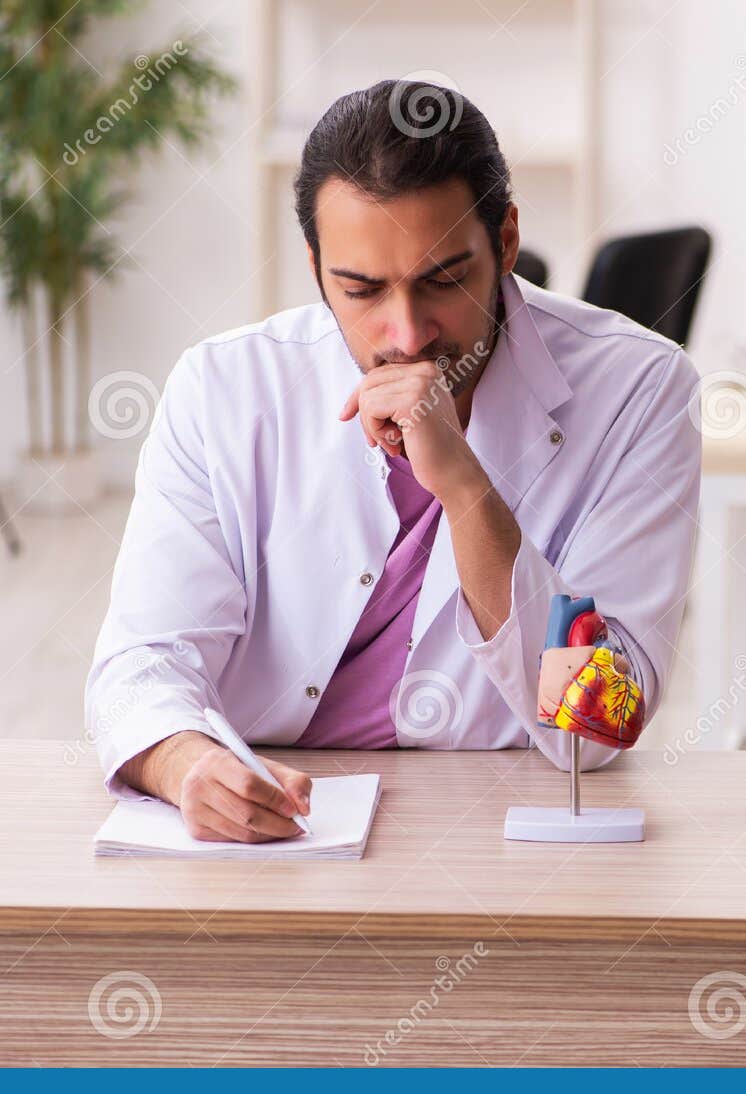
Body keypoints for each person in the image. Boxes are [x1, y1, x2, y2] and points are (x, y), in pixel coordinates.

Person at [84, 79, 702, 842]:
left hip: (498, 832)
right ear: (316, 268)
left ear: (505, 241)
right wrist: (186, 765)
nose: (405, 335)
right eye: (361, 289)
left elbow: (602, 721)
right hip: (272, 845)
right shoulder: (222, 389)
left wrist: (468, 491)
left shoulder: (641, 388)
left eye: (443, 281)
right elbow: (138, 667)